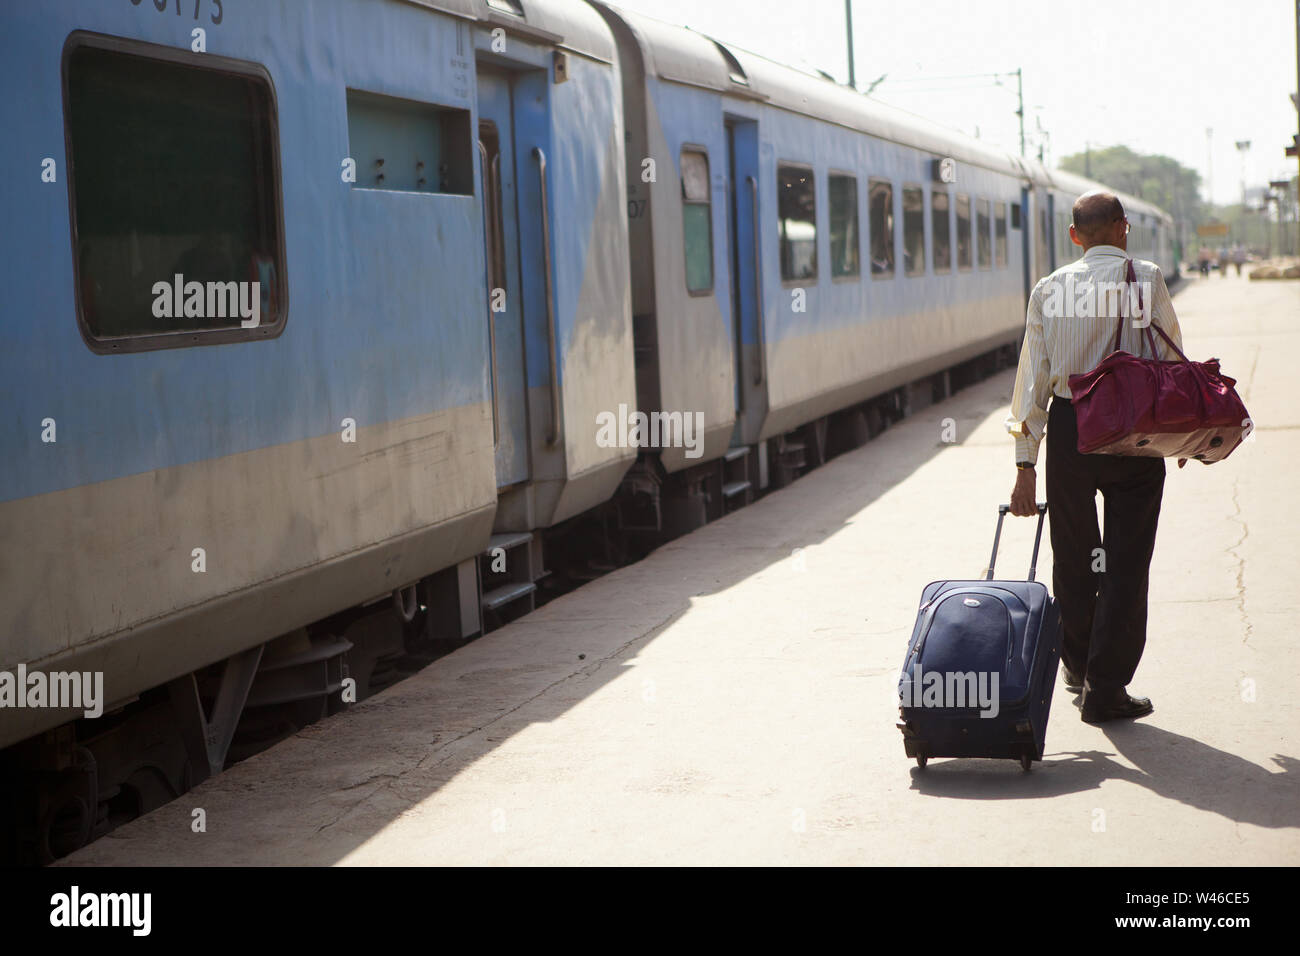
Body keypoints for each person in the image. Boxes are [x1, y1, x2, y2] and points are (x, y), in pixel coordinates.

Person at [1005, 190, 1186, 724]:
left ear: (1075, 237)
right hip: (1134, 429)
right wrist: (1183, 437)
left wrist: (1024, 466)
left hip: (1070, 426)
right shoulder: (1147, 279)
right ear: (1123, 229)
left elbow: (1031, 381)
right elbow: (1171, 359)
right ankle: (1106, 688)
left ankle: (1078, 666)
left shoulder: (1049, 289)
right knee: (1127, 561)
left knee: (1077, 556)